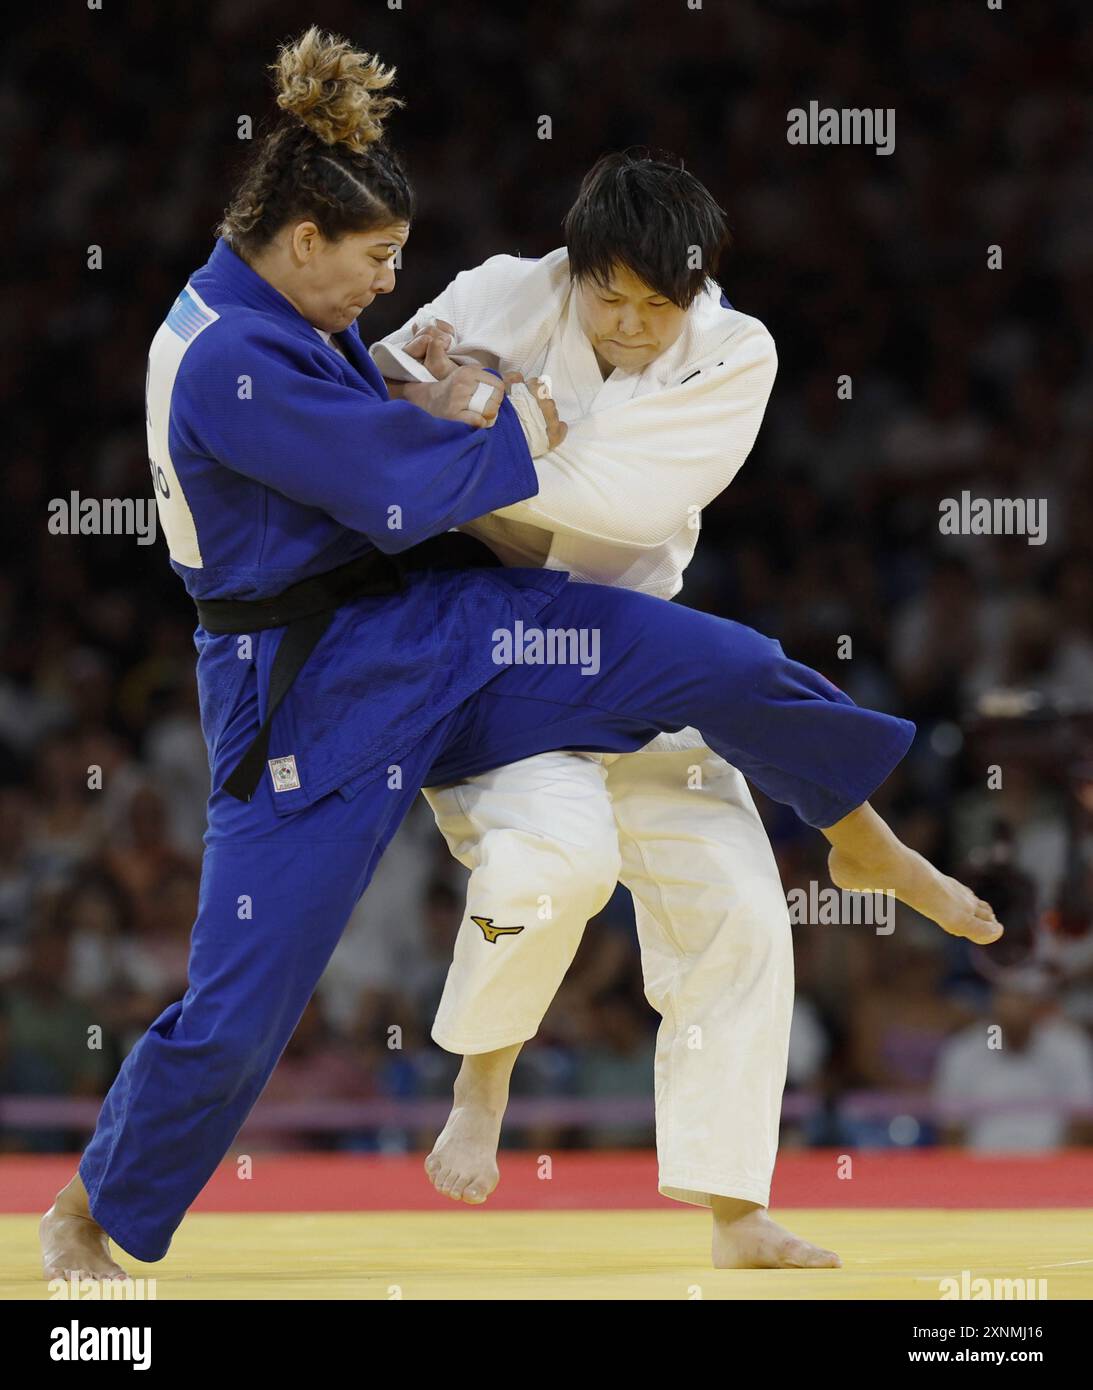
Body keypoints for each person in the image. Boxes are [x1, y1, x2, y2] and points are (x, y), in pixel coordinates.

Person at [40, 28, 1001, 1281]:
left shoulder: (280, 305)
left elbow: (400, 424)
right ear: (304, 239)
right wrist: (502, 415)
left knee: (721, 659)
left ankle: (849, 815)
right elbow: (389, 490)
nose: (391, 283)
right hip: (311, 687)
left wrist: (446, 406)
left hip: (454, 616)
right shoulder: (232, 356)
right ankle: (92, 1210)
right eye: (377, 258)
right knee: (241, 1011)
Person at [374, 152, 989, 1269]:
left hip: (632, 641)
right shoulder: (502, 290)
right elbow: (378, 407)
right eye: (608, 295)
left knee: (742, 909)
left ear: (697, 291)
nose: (630, 324)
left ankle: (733, 1206)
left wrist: (474, 429)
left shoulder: (733, 349)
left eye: (659, 305)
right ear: (574, 266)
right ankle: (481, 1080)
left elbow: (631, 497)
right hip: (490, 640)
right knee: (551, 871)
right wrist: (461, 415)